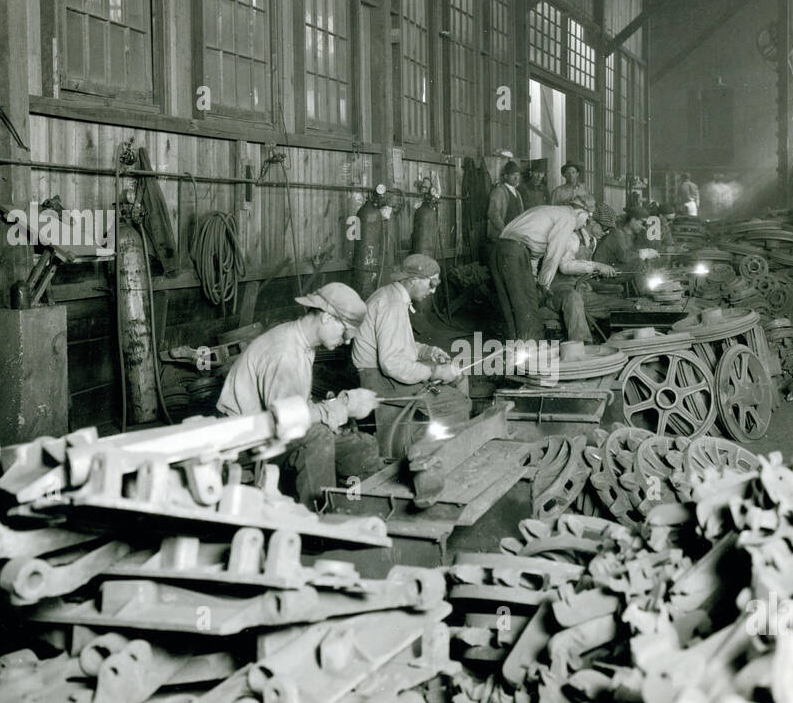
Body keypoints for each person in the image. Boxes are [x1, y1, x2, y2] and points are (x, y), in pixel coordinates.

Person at [216, 282, 379, 508]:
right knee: (319, 436)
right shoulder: (285, 352)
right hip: (248, 443)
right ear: (326, 317)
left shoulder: (302, 344)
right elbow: (287, 418)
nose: (348, 340)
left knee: (362, 446)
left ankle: (356, 504)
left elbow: (298, 404)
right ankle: (317, 519)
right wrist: (336, 408)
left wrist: (335, 412)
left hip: (273, 434)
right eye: (346, 331)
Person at [351, 254, 467, 454]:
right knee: (456, 403)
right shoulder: (392, 305)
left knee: (458, 374)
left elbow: (398, 343)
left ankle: (430, 444)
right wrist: (434, 372)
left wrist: (427, 350)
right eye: (430, 284)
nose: (432, 290)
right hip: (380, 379)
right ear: (413, 280)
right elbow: (392, 364)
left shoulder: (392, 296)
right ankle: (434, 457)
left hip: (385, 374)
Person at [492, 201, 617, 342]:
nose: (583, 225)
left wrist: (533, 278)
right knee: (527, 305)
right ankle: (532, 352)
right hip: (515, 251)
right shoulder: (568, 219)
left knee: (510, 306)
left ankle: (518, 349)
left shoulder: (554, 213)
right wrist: (543, 286)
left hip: (502, 248)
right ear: (584, 215)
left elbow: (534, 254)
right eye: (585, 222)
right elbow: (553, 256)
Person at [593, 203, 653, 272]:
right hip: (601, 272)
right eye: (642, 223)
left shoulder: (631, 235)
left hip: (611, 268)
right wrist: (643, 253)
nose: (643, 227)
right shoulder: (617, 233)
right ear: (633, 220)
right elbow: (624, 257)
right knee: (638, 263)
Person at [486, 160, 525, 244]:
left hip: (515, 235)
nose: (516, 178)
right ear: (506, 176)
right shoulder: (499, 191)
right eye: (513, 175)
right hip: (502, 236)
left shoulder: (517, 193)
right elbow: (493, 213)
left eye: (518, 175)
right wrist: (504, 230)